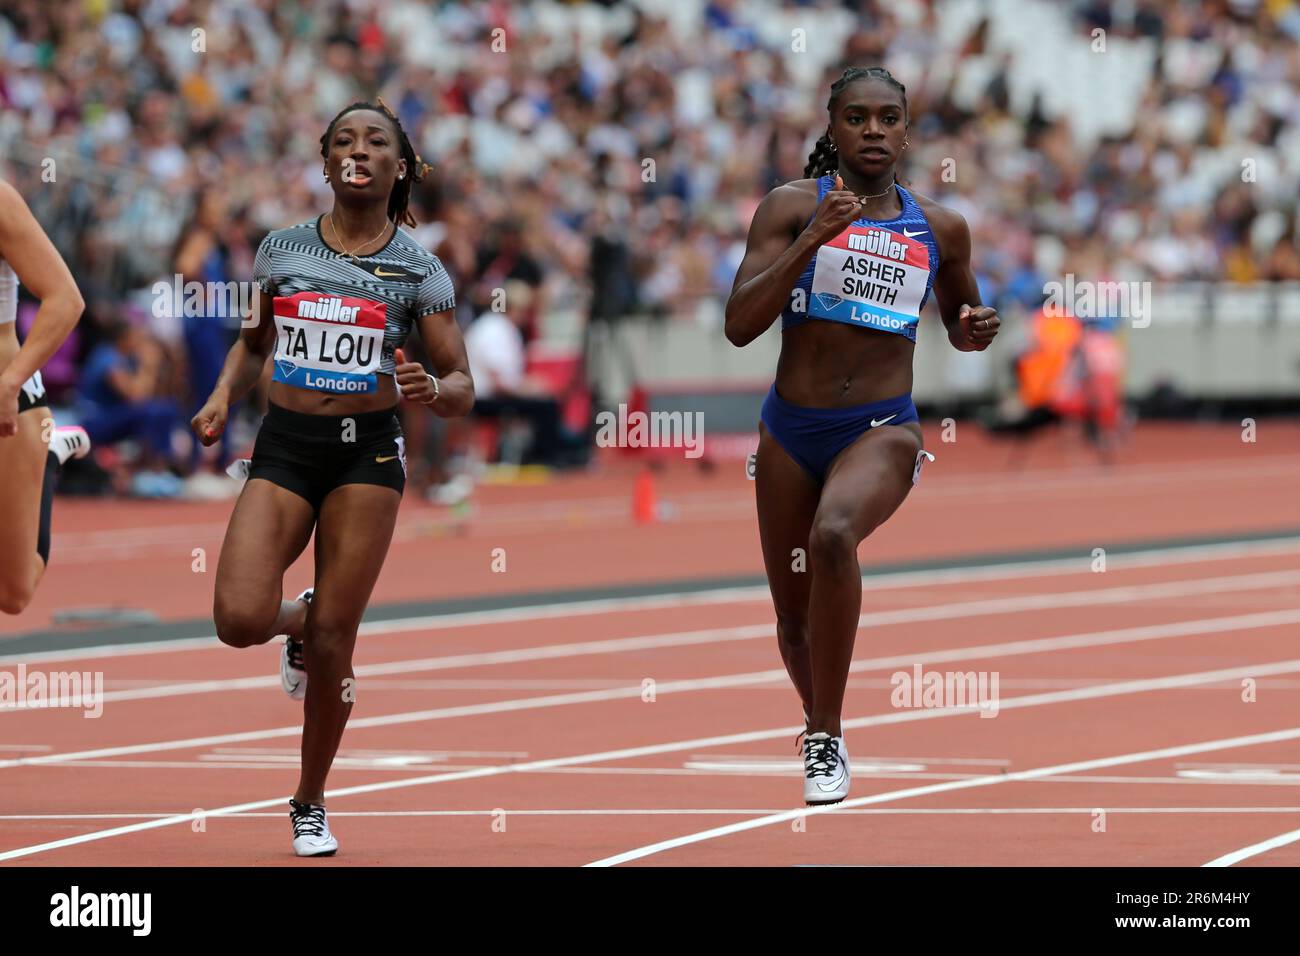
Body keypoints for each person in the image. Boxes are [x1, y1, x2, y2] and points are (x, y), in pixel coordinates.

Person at [191, 99, 474, 856]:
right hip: (284, 445)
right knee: (238, 619)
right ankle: (298, 622)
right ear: (324, 163)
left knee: (337, 641)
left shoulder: (420, 270)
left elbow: (462, 385)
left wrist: (434, 392)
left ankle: (309, 799)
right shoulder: (280, 249)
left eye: (375, 141)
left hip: (366, 457)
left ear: (400, 167)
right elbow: (254, 344)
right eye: (343, 140)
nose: (358, 150)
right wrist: (222, 395)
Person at [724, 67, 999, 805]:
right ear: (833, 130)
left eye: (887, 118)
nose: (873, 130)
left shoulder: (941, 228)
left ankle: (823, 736)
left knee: (835, 533)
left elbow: (964, 327)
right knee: (792, 619)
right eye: (856, 118)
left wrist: (976, 327)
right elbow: (740, 325)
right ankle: (826, 727)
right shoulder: (788, 208)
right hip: (789, 430)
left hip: (881, 427)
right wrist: (813, 237)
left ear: (907, 132)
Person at [0, 179, 91, 615]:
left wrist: (11, 380)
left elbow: (65, 300)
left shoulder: (0, 201)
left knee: (12, 594)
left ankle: (49, 456)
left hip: (8, 397)